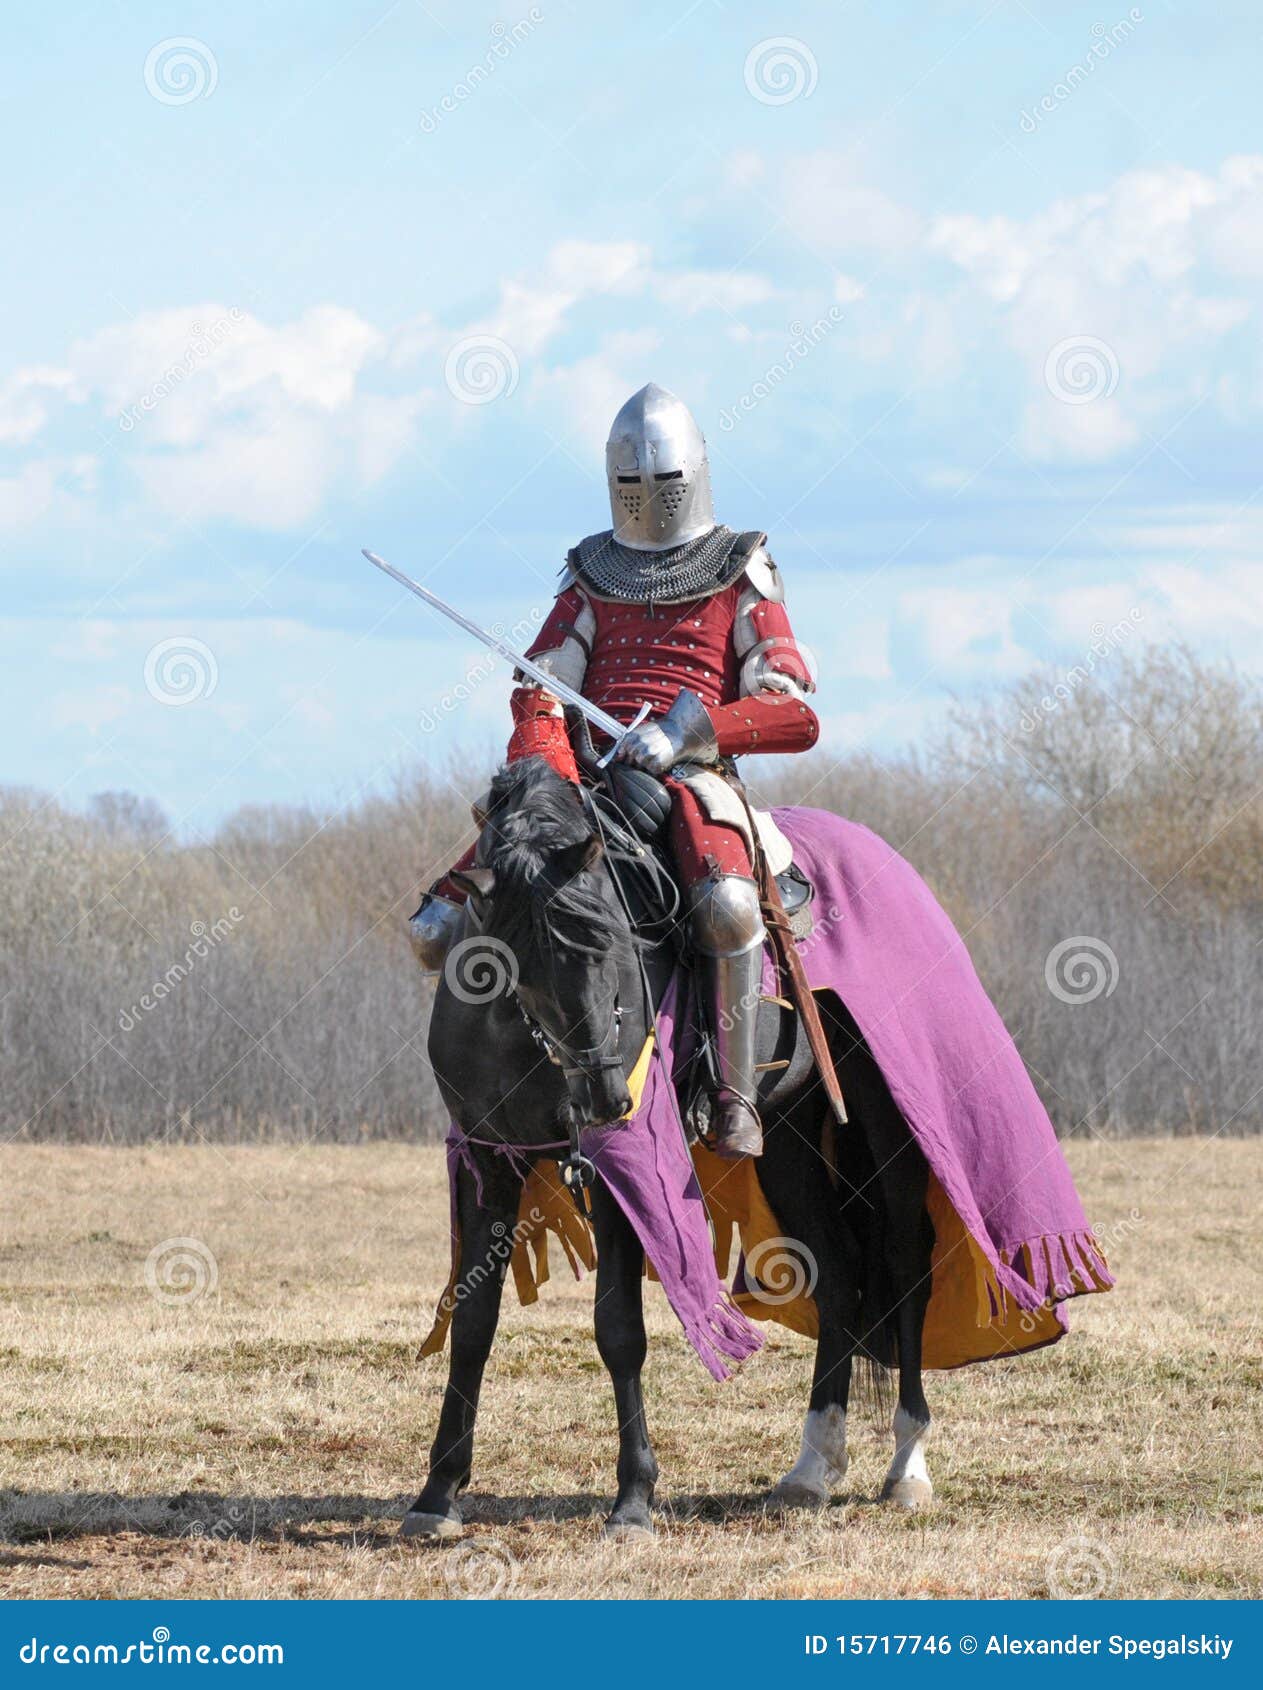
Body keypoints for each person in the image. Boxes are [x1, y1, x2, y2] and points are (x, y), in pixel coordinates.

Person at [411, 383, 818, 1157]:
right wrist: (550, 772)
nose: (647, 498)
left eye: (661, 481)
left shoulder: (740, 565)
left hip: (690, 773)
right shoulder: (590, 569)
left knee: (728, 904)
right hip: (583, 777)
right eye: (630, 484)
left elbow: (790, 708)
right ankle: (505, 1097)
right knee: (436, 927)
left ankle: (732, 1097)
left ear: (693, 474)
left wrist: (686, 733)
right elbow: (538, 687)